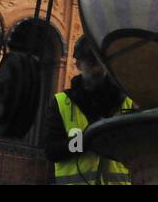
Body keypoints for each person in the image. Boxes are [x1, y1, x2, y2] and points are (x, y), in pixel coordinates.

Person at [41, 35, 135, 185]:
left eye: (101, 62)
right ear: (78, 64)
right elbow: (52, 151)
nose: (97, 69)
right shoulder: (61, 103)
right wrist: (84, 141)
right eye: (91, 63)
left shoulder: (127, 102)